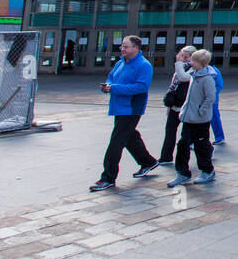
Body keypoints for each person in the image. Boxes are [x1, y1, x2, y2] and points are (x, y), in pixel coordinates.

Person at [90, 35, 158, 192]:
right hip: (118, 107)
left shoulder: (144, 65)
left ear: (136, 48)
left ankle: (107, 178)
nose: (122, 49)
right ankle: (148, 162)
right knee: (129, 137)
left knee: (116, 142)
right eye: (122, 46)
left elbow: (141, 87)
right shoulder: (121, 62)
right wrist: (107, 85)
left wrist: (114, 88)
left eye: (126, 46)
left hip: (131, 109)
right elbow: (111, 77)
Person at [168, 49, 217, 187]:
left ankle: (207, 171)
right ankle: (182, 173)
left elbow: (210, 97)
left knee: (201, 145)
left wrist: (201, 111)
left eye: (193, 60)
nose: (190, 62)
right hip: (189, 118)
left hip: (200, 120)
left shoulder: (207, 79)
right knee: (183, 144)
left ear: (200, 63)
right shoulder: (193, 76)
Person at [158, 45, 196, 165]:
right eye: (181, 56)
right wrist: (169, 105)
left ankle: (206, 151)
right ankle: (166, 156)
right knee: (170, 130)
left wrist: (179, 64)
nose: (183, 59)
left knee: (191, 134)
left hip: (187, 106)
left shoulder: (194, 69)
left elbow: (183, 77)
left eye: (186, 57)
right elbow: (173, 85)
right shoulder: (180, 68)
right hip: (175, 105)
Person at [204, 57, 227, 147]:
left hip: (212, 100)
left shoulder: (214, 71)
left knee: (215, 119)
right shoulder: (201, 70)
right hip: (203, 99)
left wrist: (211, 94)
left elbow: (219, 85)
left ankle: (219, 137)